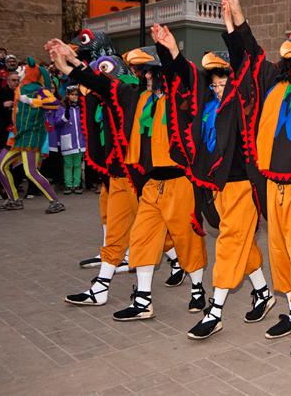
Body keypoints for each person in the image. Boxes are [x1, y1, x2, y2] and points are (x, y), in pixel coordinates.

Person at [49, 41, 207, 318]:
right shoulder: (135, 96)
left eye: (150, 71)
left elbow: (188, 76)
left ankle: (197, 289)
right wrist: (71, 65)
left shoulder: (181, 98)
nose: (145, 76)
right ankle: (143, 301)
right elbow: (101, 84)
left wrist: (172, 52)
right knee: (142, 239)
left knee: (187, 240)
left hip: (180, 183)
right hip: (149, 185)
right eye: (143, 71)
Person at [155, 5, 275, 342]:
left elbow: (246, 59)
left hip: (246, 186)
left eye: (225, 80)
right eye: (216, 82)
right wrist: (172, 51)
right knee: (242, 243)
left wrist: (232, 26)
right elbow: (186, 78)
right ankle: (264, 294)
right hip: (219, 188)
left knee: (229, 244)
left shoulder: (243, 99)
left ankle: (215, 311)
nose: (220, 86)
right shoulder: (207, 108)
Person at [219, 0, 291, 358]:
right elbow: (249, 57)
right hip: (274, 186)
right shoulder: (275, 88)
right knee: (280, 252)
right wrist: (234, 19)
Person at [0, 59, 65, 213]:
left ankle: (56, 202)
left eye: (23, 68)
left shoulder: (38, 89)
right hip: (18, 135)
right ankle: (13, 200)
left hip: (32, 134)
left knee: (30, 171)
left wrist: (33, 101)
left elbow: (54, 103)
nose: (20, 70)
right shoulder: (20, 88)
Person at [50, 86, 85, 194]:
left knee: (78, 163)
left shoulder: (81, 107)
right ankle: (68, 184)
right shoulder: (61, 108)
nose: (74, 97)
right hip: (67, 138)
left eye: (76, 95)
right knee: (68, 163)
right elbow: (58, 123)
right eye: (72, 94)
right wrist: (65, 115)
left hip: (79, 139)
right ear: (67, 95)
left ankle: (77, 184)